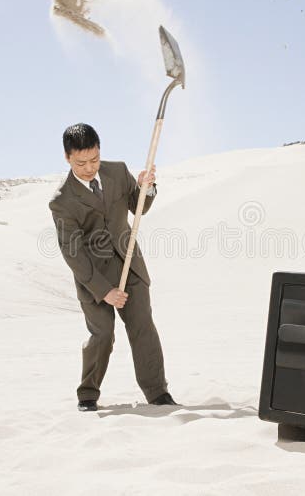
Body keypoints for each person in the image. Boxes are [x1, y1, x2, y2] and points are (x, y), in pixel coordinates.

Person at [48, 123, 177, 412]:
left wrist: (147, 187)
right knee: (103, 334)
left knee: (143, 326)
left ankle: (158, 393)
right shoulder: (62, 201)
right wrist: (104, 291)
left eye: (94, 159)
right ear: (67, 158)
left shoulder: (117, 172)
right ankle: (88, 393)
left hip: (130, 264)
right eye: (81, 163)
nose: (89, 168)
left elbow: (139, 207)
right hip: (93, 275)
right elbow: (73, 254)